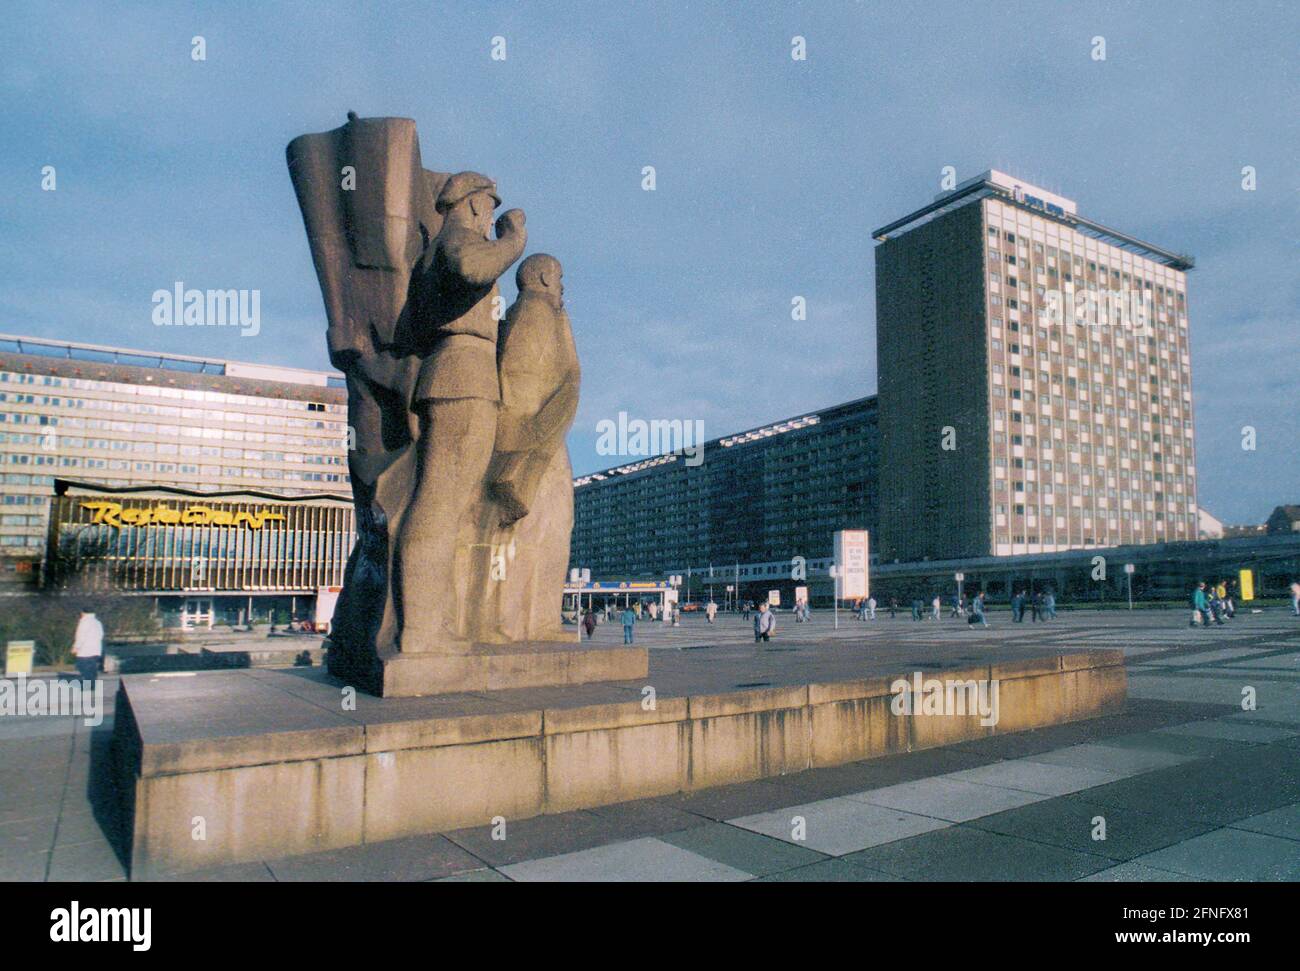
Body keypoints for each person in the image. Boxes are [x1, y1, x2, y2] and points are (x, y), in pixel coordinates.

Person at [72, 609, 104, 683]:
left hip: (85, 650)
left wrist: (76, 647)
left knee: (83, 667)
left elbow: (80, 636)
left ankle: (88, 685)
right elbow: (101, 635)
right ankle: (92, 684)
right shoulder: (97, 622)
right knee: (92, 669)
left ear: (83, 613)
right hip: (96, 649)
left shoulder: (84, 622)